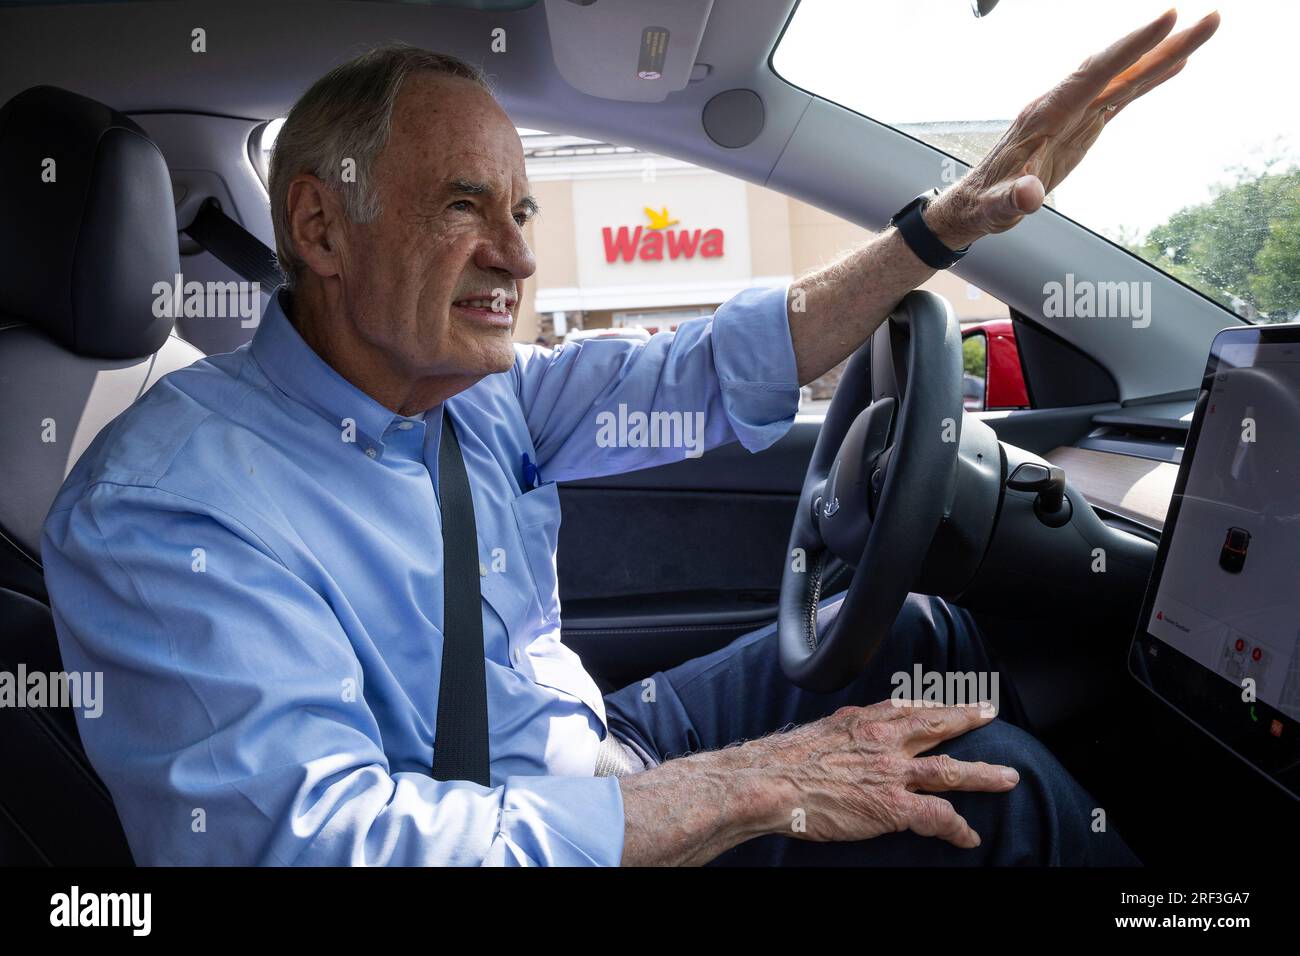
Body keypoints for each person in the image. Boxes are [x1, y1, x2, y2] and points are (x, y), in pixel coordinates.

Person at [42, 10, 1219, 866]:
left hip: (593, 742)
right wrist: (745, 789)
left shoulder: (474, 394)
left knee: (923, 637)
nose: (514, 252)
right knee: (1001, 811)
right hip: (513, 831)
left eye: (520, 208)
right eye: (462, 204)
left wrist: (945, 223)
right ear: (321, 225)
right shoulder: (167, 505)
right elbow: (326, 847)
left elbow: (711, 367)